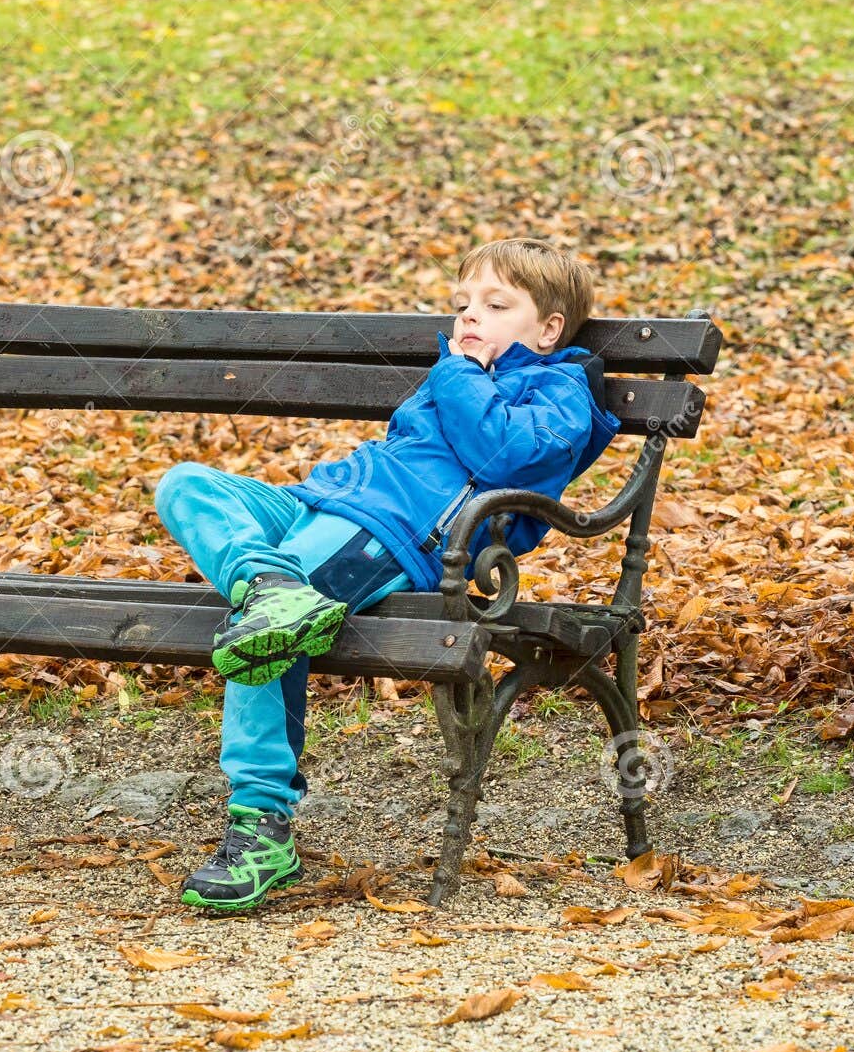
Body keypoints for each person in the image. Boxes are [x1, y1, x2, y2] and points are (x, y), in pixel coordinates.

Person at [152, 237, 622, 913]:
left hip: (391, 539)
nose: (469, 317)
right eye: (462, 303)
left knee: (261, 636)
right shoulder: (461, 371)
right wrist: (460, 371)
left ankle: (261, 827)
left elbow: (505, 454)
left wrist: (459, 372)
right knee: (188, 484)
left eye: (495, 304)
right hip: (324, 506)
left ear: (549, 329)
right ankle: (269, 583)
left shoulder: (558, 392)